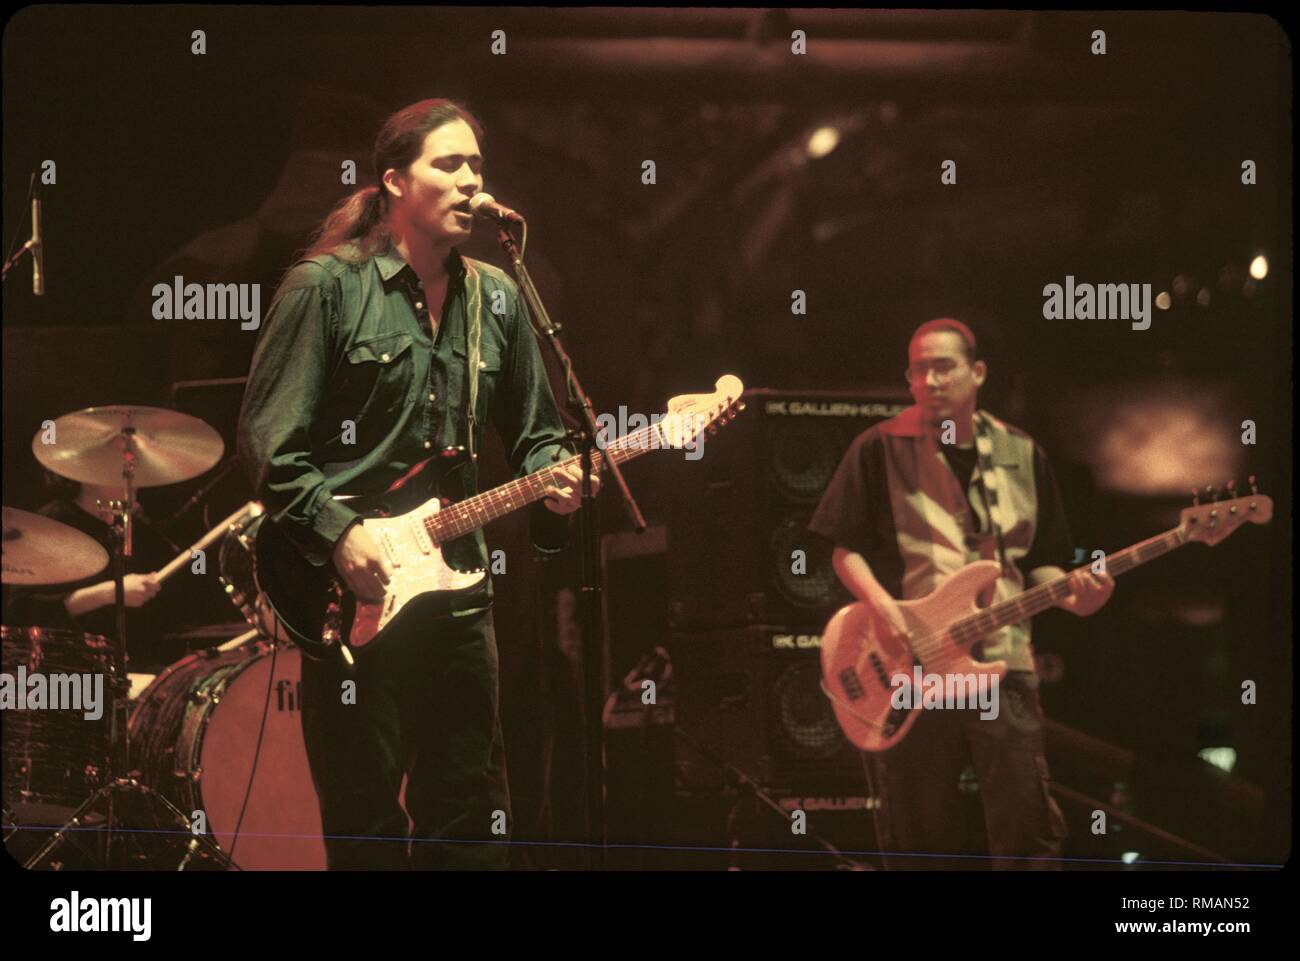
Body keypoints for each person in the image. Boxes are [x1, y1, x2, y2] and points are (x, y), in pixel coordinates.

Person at [236, 98, 596, 870]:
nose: (473, 181)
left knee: (468, 820)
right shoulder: (326, 287)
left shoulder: (497, 295)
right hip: (349, 596)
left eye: (478, 164)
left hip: (460, 593)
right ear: (396, 181)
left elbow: (537, 434)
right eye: (450, 163)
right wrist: (338, 534)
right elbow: (271, 441)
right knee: (365, 823)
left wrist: (553, 488)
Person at [808, 318, 1114, 870]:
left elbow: (1045, 562)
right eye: (918, 369)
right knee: (920, 837)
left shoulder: (1023, 454)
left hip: (1003, 664)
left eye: (942, 366)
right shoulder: (878, 448)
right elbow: (842, 549)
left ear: (977, 373)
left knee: (1027, 833)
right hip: (910, 668)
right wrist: (886, 611)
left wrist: (1079, 598)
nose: (930, 379)